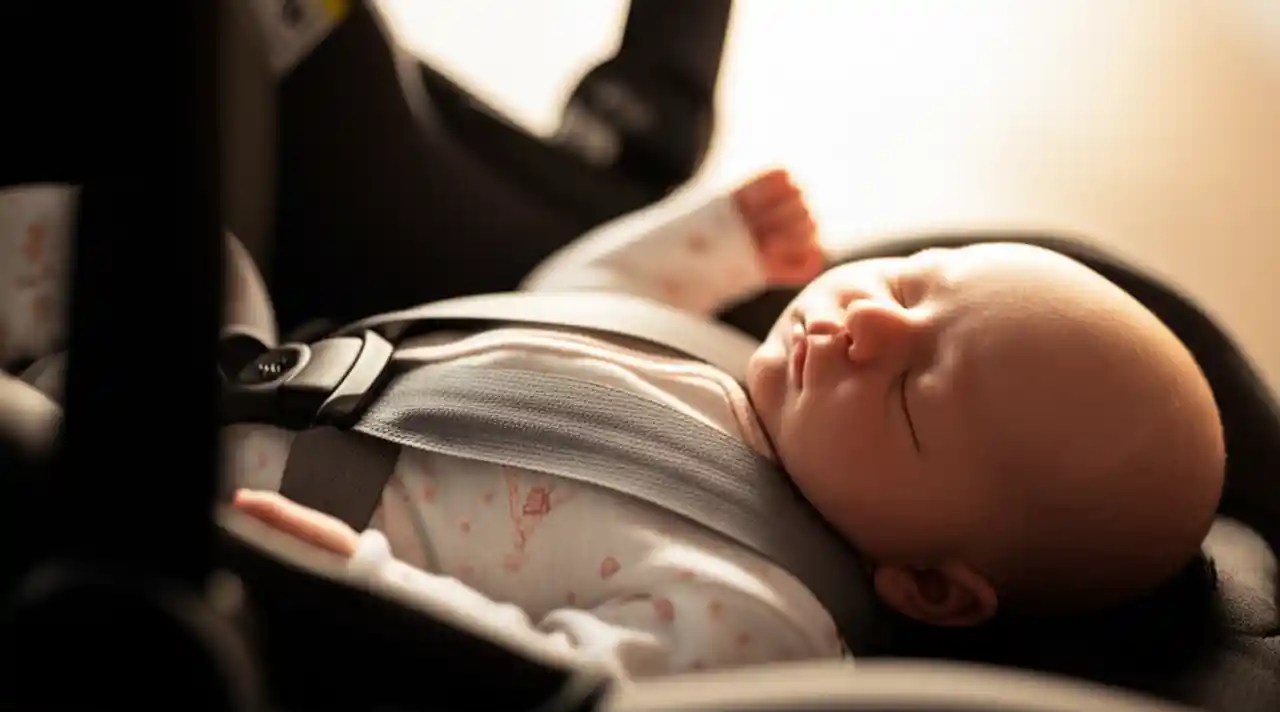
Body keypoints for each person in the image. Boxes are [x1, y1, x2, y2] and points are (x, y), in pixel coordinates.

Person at [2, 169, 1226, 680]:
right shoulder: (722, 365)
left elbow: (556, 679)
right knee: (170, 242)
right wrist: (705, 246)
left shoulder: (767, 621)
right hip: (239, 374)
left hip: (230, 544)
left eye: (911, 392)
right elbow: (564, 301)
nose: (866, 324)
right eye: (916, 284)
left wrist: (358, 584)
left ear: (933, 588)